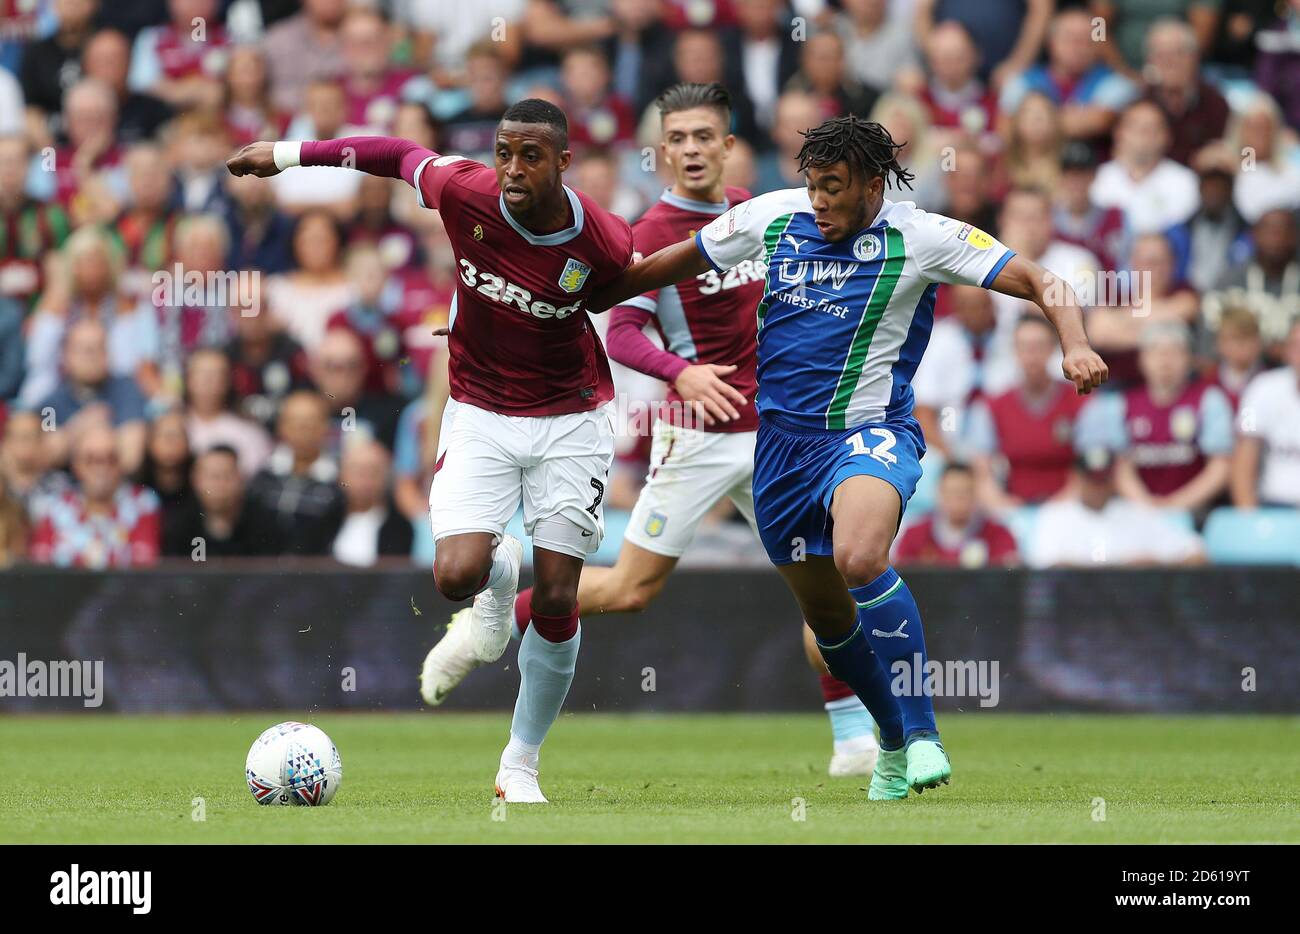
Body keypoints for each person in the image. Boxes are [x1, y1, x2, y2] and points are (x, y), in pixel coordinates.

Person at [588, 114, 1108, 797]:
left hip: (868, 435)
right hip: (779, 451)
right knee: (830, 621)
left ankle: (922, 733)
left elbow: (1046, 280)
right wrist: (574, 299)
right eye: (812, 185)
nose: (820, 201)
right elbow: (663, 267)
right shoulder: (773, 217)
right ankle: (890, 738)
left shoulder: (920, 236)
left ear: (870, 183)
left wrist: (1074, 342)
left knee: (860, 556)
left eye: (834, 187)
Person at [422, 81, 879, 778]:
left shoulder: (766, 217)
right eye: (678, 139)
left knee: (824, 587)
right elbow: (621, 326)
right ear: (662, 151)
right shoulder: (647, 235)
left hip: (778, 436)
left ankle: (852, 741)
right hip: (693, 433)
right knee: (631, 589)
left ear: (730, 147)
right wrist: (680, 372)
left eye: (705, 137)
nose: (692, 150)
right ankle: (501, 610)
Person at [227, 97, 637, 804]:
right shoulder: (465, 190)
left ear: (564, 162)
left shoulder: (601, 238)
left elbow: (628, 282)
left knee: (563, 594)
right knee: (456, 574)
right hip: (478, 410)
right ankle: (498, 572)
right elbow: (390, 153)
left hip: (570, 419)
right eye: (504, 151)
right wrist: (288, 154)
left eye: (530, 155)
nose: (511, 167)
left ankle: (520, 765)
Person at [893, 462, 1019, 567]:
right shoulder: (915, 535)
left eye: (964, 492)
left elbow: (1009, 576)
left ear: (975, 494)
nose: (957, 499)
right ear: (940, 493)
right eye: (951, 492)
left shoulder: (998, 535)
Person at [1232, 319, 1300, 509]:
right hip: (1274, 507)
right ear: (1286, 351)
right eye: (1295, 345)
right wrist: (1249, 516)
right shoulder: (1259, 388)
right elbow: (1244, 450)